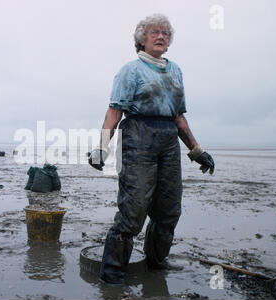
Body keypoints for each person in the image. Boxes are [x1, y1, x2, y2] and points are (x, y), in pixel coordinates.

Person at [88, 14, 215, 285]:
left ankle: (156, 263)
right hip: (138, 136)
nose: (161, 37)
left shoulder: (176, 71)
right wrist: (101, 147)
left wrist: (197, 150)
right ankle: (112, 274)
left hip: (168, 138)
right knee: (133, 210)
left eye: (166, 34)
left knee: (169, 209)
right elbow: (114, 112)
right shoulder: (130, 70)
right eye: (155, 32)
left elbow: (179, 117)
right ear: (142, 39)